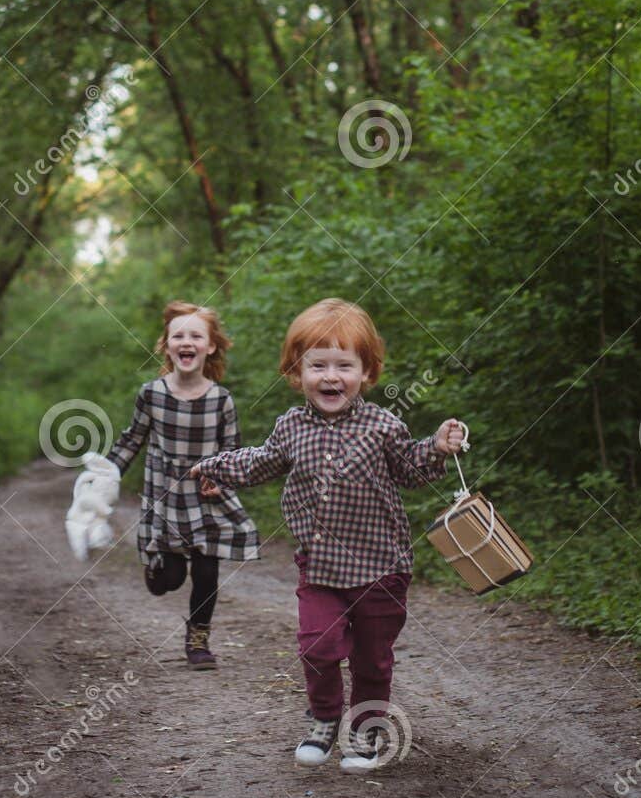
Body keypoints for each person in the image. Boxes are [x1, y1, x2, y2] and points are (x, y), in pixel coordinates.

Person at [191, 298, 464, 768]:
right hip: (320, 566)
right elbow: (259, 462)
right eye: (318, 365)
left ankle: (365, 731)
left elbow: (412, 470)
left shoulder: (382, 426)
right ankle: (323, 717)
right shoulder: (291, 427)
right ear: (297, 373)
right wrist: (217, 467)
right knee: (317, 644)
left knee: (372, 660)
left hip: (382, 567)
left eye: (344, 365)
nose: (331, 377)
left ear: (367, 373)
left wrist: (436, 448)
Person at [107, 301, 260, 670]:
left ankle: (198, 640)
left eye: (196, 335)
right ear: (166, 345)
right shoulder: (152, 394)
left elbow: (232, 451)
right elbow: (133, 440)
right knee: (169, 579)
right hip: (166, 495)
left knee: (207, 571)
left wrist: (221, 479)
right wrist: (106, 473)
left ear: (210, 347)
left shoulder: (221, 400)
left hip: (206, 496)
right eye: (178, 335)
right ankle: (156, 569)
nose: (186, 341)